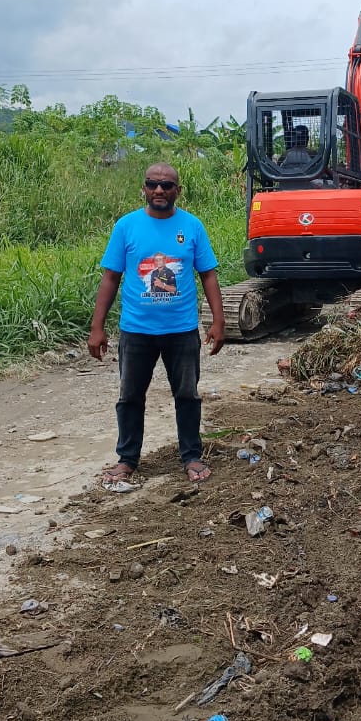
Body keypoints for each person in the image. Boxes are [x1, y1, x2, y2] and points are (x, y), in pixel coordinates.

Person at [88, 162, 225, 484]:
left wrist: (218, 322)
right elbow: (110, 277)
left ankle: (191, 456)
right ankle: (127, 459)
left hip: (182, 330)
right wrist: (97, 327)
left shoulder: (191, 227)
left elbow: (208, 274)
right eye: (152, 184)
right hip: (136, 331)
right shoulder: (127, 227)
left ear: (178, 190)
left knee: (187, 396)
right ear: (144, 188)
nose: (159, 190)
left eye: (166, 185)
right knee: (130, 397)